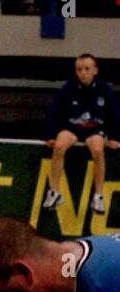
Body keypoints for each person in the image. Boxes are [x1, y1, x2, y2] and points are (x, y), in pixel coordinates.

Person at [43, 53, 120, 217]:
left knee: (98, 150)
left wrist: (115, 137)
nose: (82, 73)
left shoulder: (104, 89)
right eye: (79, 69)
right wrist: (51, 135)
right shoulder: (68, 88)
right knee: (59, 146)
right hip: (72, 127)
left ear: (95, 71)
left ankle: (98, 195)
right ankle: (54, 192)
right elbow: (54, 112)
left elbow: (115, 115)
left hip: (95, 128)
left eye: (86, 69)